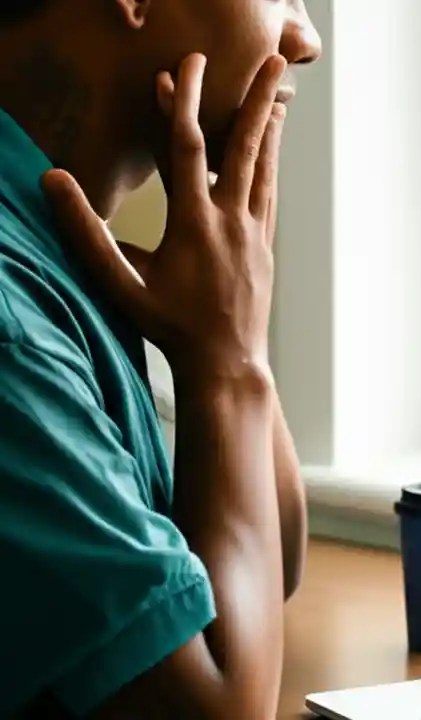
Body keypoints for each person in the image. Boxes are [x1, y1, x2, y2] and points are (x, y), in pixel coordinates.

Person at [0, 0, 321, 717]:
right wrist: (229, 364)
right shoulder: (10, 321)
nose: (306, 40)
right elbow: (217, 711)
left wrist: (237, 347)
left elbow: (277, 563)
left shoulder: (47, 246)